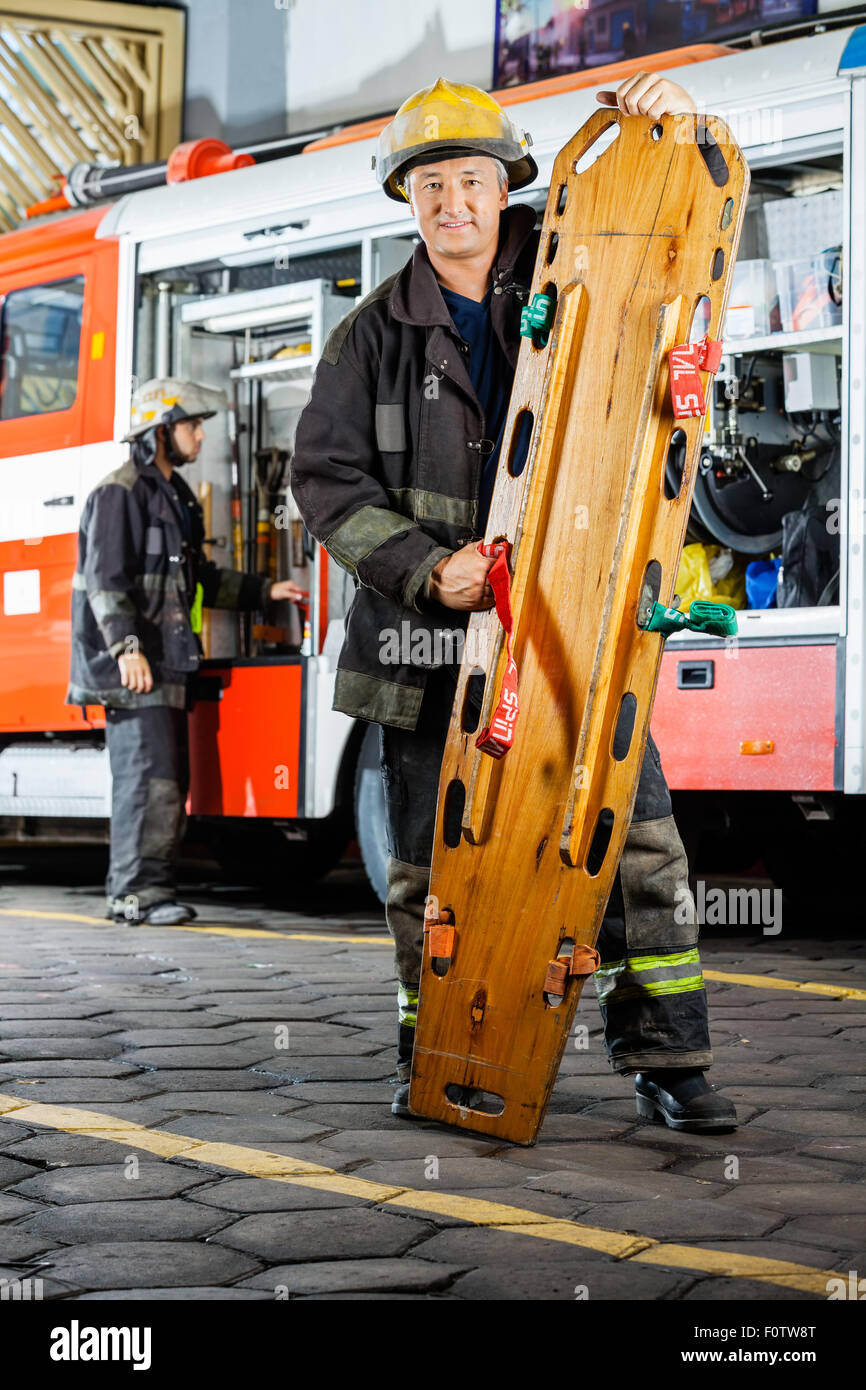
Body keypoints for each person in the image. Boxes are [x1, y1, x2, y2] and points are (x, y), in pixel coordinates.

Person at [291, 74, 738, 1133]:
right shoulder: (368, 340)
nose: (453, 200)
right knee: (427, 869)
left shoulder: (574, 259)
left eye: (472, 179)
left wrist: (663, 120)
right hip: (422, 647)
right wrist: (422, 567)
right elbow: (325, 483)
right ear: (407, 197)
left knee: (636, 849)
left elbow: (662, 210)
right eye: (431, 182)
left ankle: (669, 1059)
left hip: (575, 636)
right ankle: (439, 1046)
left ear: (506, 188)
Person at [67, 378, 305, 925]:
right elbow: (106, 583)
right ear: (159, 432)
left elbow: (198, 580)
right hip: (131, 665)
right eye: (191, 425)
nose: (200, 435)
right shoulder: (119, 492)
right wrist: (128, 649)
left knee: (170, 782)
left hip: (165, 661)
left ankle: (150, 889)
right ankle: (134, 894)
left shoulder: (176, 499)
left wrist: (262, 591)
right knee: (147, 781)